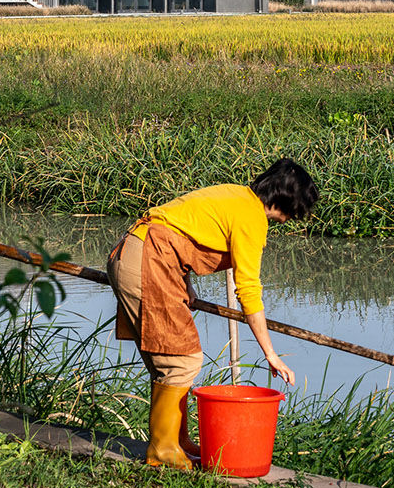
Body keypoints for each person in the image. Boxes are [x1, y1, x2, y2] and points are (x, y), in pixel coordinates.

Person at [106, 158, 320, 469]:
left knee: (168, 360)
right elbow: (249, 290)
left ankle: (175, 441)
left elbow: (178, 226)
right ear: (286, 201)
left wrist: (184, 280)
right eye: (296, 210)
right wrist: (271, 354)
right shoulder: (252, 218)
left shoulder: (235, 195)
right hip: (148, 261)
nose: (292, 218)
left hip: (136, 253)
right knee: (182, 359)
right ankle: (162, 450)